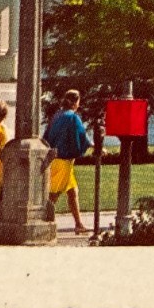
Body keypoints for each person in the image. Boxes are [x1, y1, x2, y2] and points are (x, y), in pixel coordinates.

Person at [43, 89, 91, 235]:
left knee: (72, 192)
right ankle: (42, 221)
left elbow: (47, 136)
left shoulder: (56, 116)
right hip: (64, 161)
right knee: (53, 195)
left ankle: (78, 224)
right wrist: (95, 146)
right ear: (76, 101)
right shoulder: (73, 117)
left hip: (55, 159)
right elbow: (81, 135)